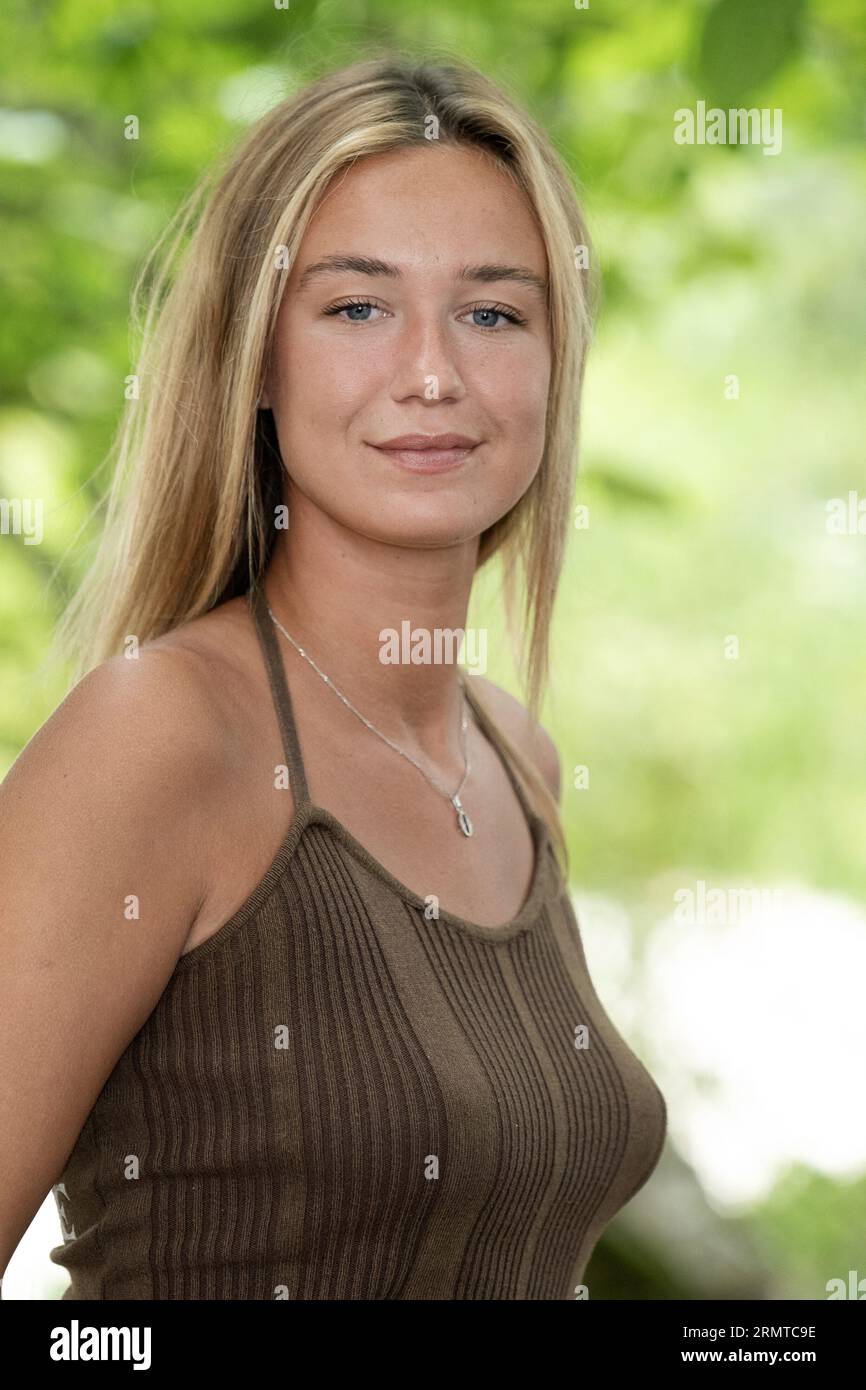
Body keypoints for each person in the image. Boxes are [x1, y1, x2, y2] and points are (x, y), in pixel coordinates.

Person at [0, 53, 666, 1300]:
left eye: (493, 312)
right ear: (255, 359)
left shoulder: (515, 759)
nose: (432, 372)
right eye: (357, 308)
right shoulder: (159, 733)